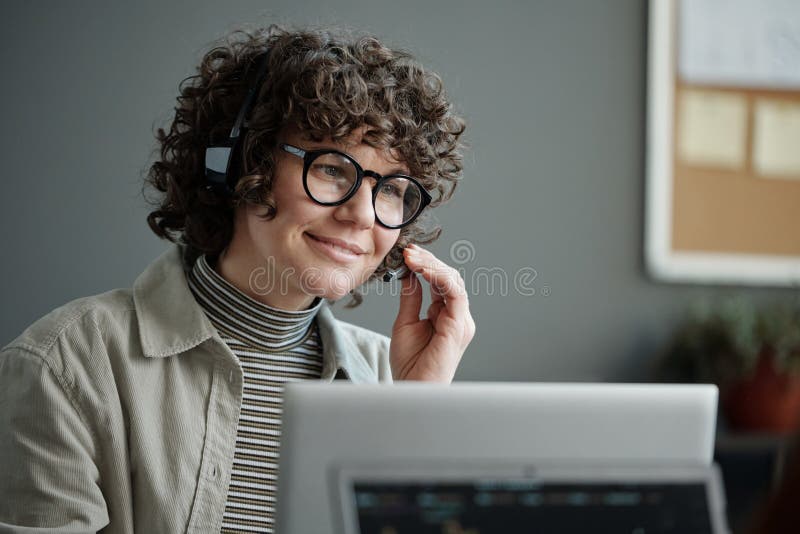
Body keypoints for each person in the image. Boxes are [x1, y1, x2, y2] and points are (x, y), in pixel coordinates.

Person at [0, 25, 473, 533]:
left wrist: (416, 418)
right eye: (334, 168)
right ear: (241, 163)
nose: (363, 215)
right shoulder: (67, 364)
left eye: (393, 188)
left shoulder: (393, 380)